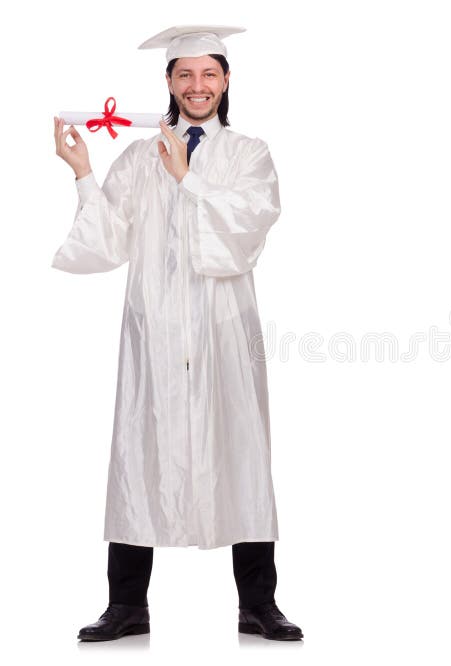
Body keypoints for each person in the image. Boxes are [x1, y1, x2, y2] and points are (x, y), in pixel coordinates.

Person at [52, 25, 302, 642]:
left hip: (222, 331)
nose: (197, 86)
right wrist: (83, 171)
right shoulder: (139, 157)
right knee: (140, 450)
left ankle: (259, 604)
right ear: (168, 81)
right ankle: (127, 605)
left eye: (208, 74)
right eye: (184, 75)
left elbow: (247, 229)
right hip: (155, 330)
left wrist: (189, 176)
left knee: (240, 452)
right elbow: (108, 239)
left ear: (225, 80)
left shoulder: (249, 153)